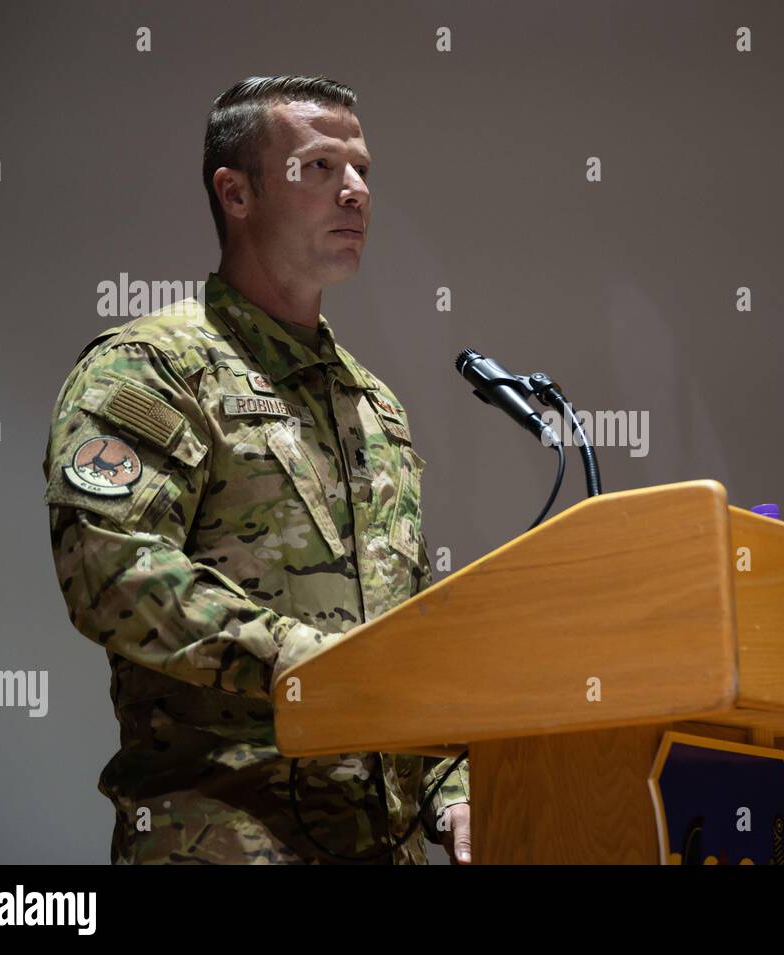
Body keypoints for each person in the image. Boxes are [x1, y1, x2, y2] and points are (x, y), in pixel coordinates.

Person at [41, 75, 470, 864]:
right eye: (319, 167)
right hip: (224, 836)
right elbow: (110, 569)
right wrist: (306, 664)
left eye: (364, 171)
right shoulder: (152, 370)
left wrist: (452, 789)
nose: (354, 192)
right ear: (235, 193)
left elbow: (402, 627)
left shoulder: (374, 406)